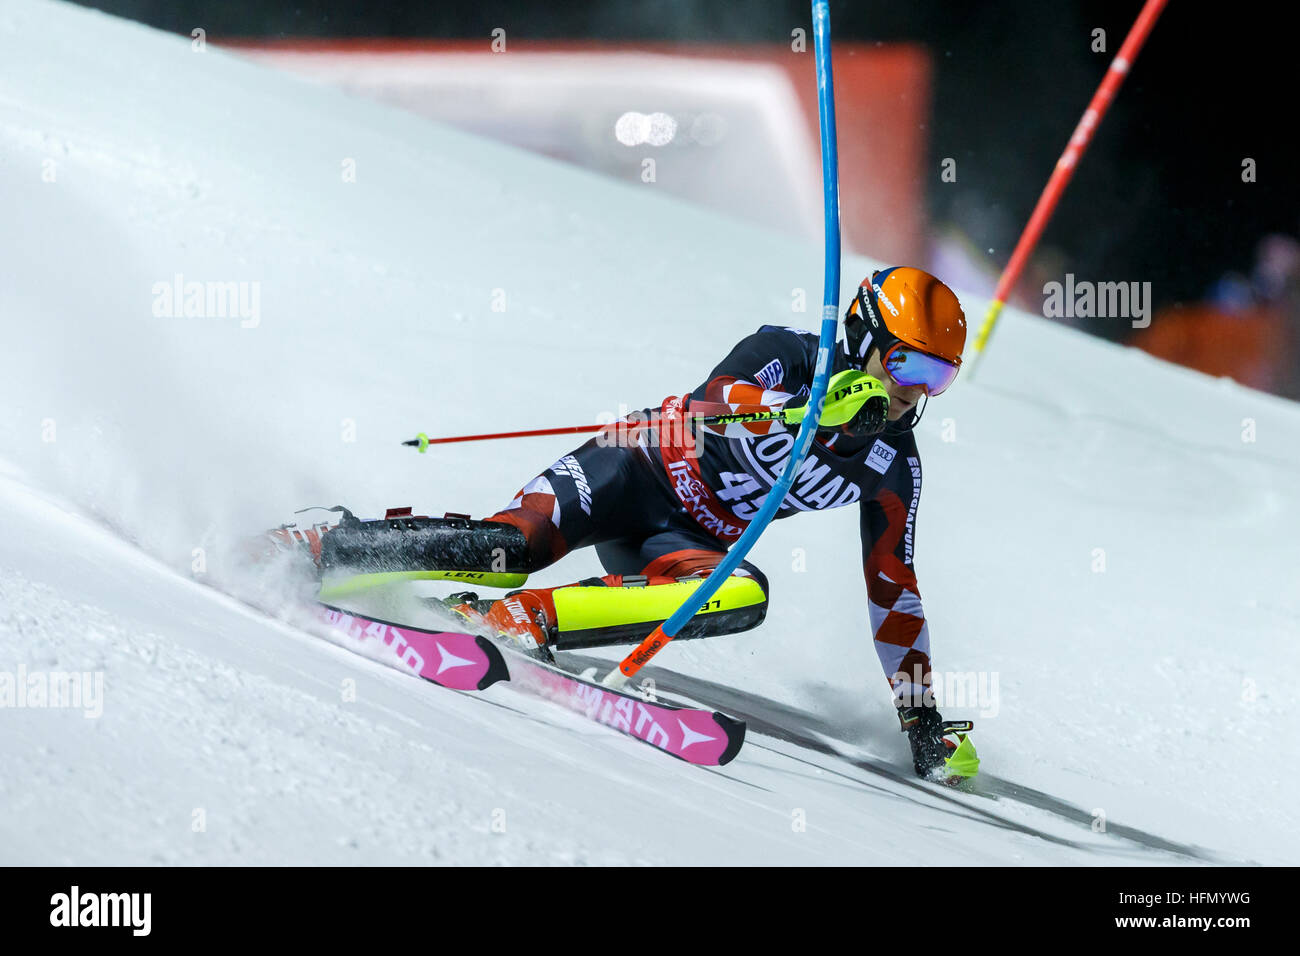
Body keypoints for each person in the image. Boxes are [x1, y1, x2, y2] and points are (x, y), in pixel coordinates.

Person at [276, 266, 969, 778]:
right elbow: (716, 398)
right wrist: (811, 407)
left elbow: (893, 586)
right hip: (630, 468)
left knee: (744, 591)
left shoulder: (891, 464)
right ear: (864, 336)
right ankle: (329, 546)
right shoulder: (794, 355)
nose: (913, 393)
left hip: (682, 543)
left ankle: (519, 620)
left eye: (938, 379)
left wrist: (920, 715)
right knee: (512, 545)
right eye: (907, 363)